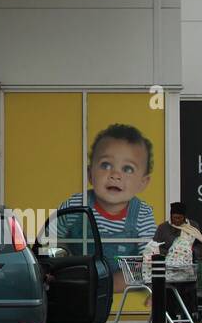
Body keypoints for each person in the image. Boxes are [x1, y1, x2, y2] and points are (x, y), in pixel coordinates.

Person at [58, 123, 157, 293]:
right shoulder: (76, 205)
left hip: (118, 286)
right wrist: (62, 258)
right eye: (105, 165)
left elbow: (149, 261)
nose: (115, 175)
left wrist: (155, 290)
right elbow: (50, 239)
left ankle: (104, 287)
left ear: (143, 182)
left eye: (127, 169)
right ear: (90, 174)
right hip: (80, 281)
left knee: (143, 268)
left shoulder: (142, 213)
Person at [153, 201, 202, 323]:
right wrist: (170, 253)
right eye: (174, 217)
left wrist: (191, 251)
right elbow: (156, 246)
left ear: (184, 217)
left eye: (179, 218)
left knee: (189, 297)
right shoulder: (163, 228)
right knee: (170, 297)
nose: (176, 220)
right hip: (169, 270)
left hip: (187, 270)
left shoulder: (193, 227)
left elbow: (200, 245)